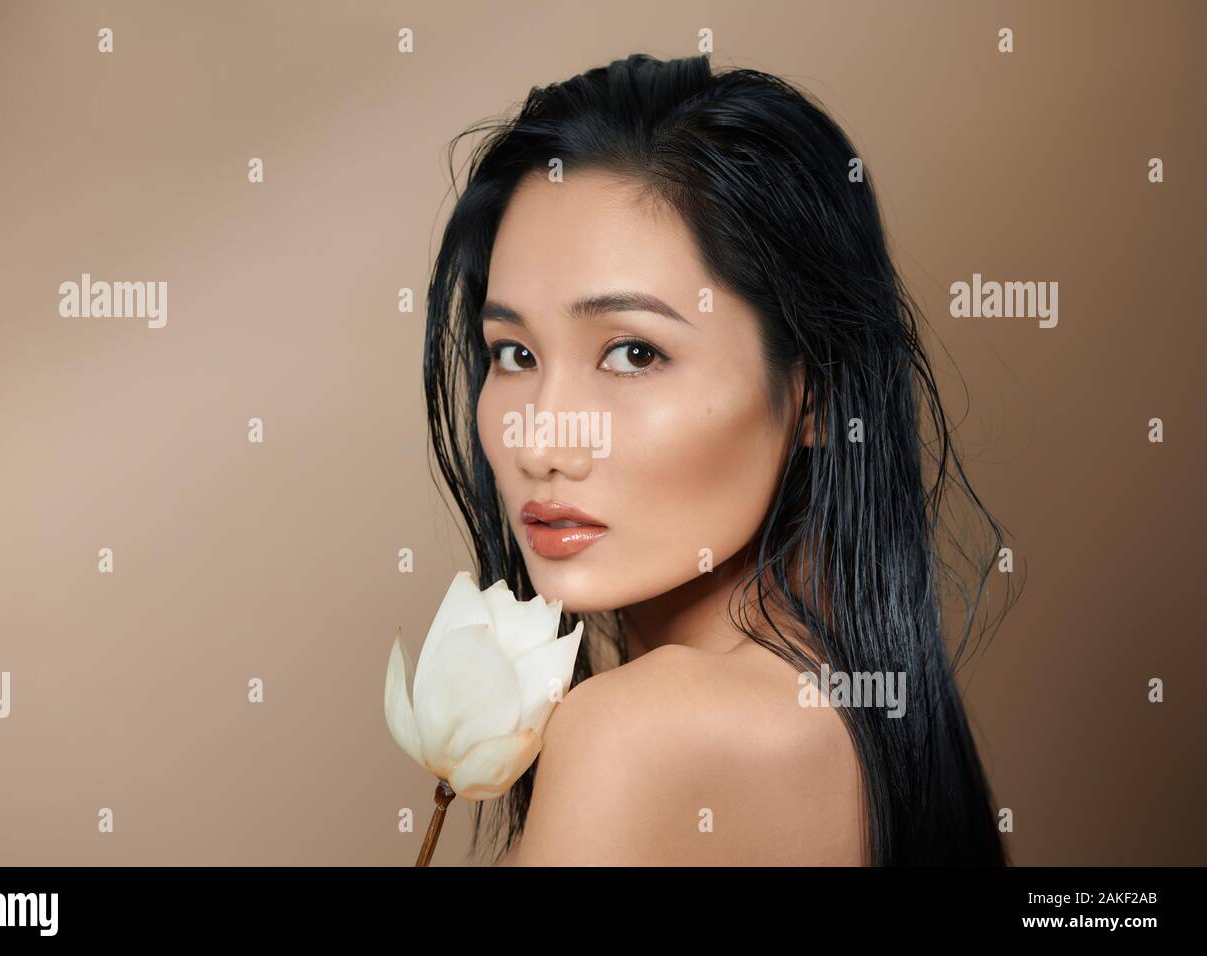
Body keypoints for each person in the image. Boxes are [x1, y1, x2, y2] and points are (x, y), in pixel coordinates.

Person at [423, 53, 1010, 866]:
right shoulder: (866, 723)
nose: (540, 441)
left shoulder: (635, 738)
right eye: (514, 354)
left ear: (814, 395)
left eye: (633, 353)